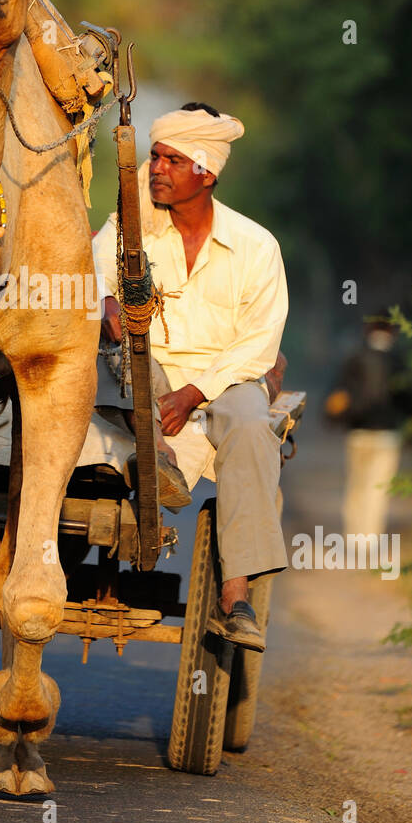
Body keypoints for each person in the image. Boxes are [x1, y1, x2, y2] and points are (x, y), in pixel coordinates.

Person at [91, 103, 289, 652]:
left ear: (206, 174)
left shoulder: (256, 246)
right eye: (153, 157)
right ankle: (161, 459)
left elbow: (259, 343)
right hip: (141, 369)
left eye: (171, 160)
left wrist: (196, 391)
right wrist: (106, 301)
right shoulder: (129, 228)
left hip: (224, 379)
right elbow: (91, 272)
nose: (155, 169)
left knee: (251, 426)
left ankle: (235, 595)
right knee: (115, 365)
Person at [324, 316, 412, 539]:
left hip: (358, 433)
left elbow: (338, 395)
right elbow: (410, 401)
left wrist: (333, 420)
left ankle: (353, 535)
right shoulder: (399, 361)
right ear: (392, 331)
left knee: (356, 484)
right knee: (379, 488)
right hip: (388, 435)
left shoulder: (355, 358)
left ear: (368, 330)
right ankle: (370, 540)